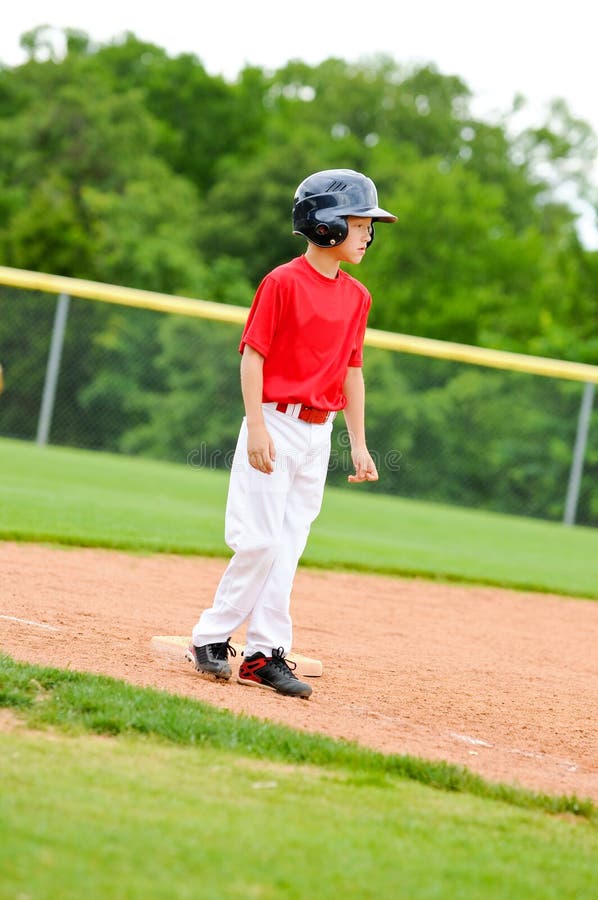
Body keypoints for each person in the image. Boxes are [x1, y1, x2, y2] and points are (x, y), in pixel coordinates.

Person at [187, 168, 397, 699]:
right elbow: (252, 355)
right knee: (258, 540)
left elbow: (352, 371)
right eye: (359, 223)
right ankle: (211, 637)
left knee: (289, 545)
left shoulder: (358, 297)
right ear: (325, 224)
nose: (368, 234)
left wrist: (360, 442)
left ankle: (263, 654)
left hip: (318, 432)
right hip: (274, 422)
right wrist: (257, 426)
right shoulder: (282, 282)